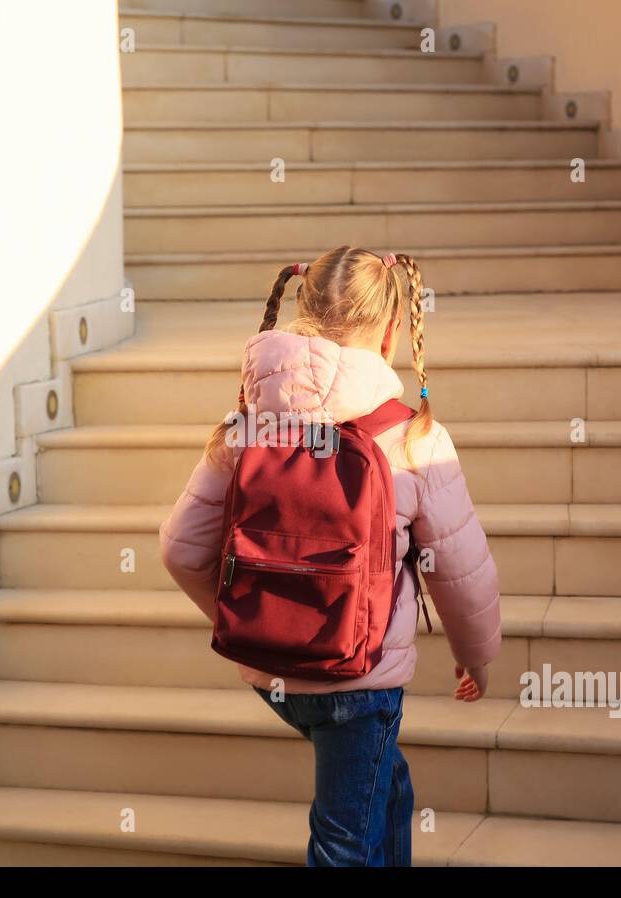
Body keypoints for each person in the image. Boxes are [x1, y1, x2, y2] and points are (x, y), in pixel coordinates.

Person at [159, 245, 502, 866]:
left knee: (386, 788)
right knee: (343, 846)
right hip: (358, 680)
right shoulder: (414, 437)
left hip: (273, 673)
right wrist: (475, 658)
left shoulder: (250, 423)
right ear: (392, 330)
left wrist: (247, 613)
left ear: (299, 309)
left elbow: (180, 546)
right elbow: (459, 570)